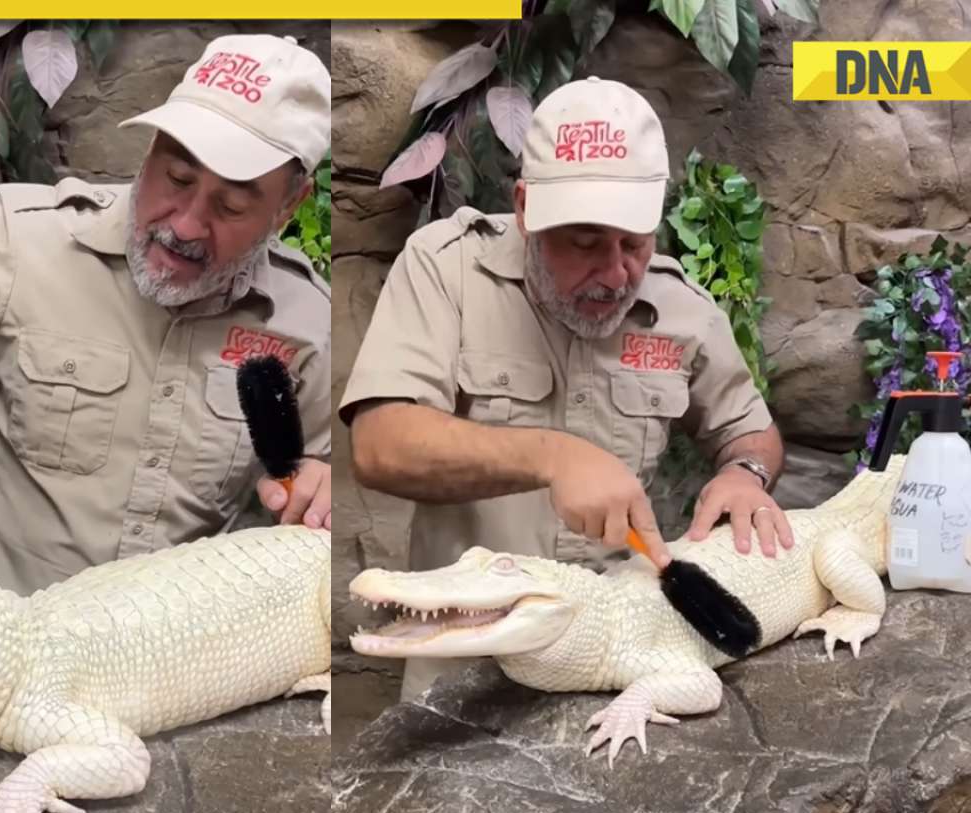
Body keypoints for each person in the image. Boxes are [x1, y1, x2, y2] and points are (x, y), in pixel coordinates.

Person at [0, 33, 332, 596]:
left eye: (231, 205)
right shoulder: (24, 241)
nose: (185, 224)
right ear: (151, 150)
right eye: (178, 179)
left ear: (289, 205)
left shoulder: (308, 323)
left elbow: (313, 472)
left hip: (170, 643)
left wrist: (318, 492)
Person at [339, 76, 794, 702]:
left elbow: (752, 432)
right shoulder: (448, 268)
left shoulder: (680, 307)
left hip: (616, 655)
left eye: (634, 244)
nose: (615, 274)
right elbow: (380, 444)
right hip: (468, 662)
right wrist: (555, 457)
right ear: (526, 209)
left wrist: (746, 473)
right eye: (584, 244)